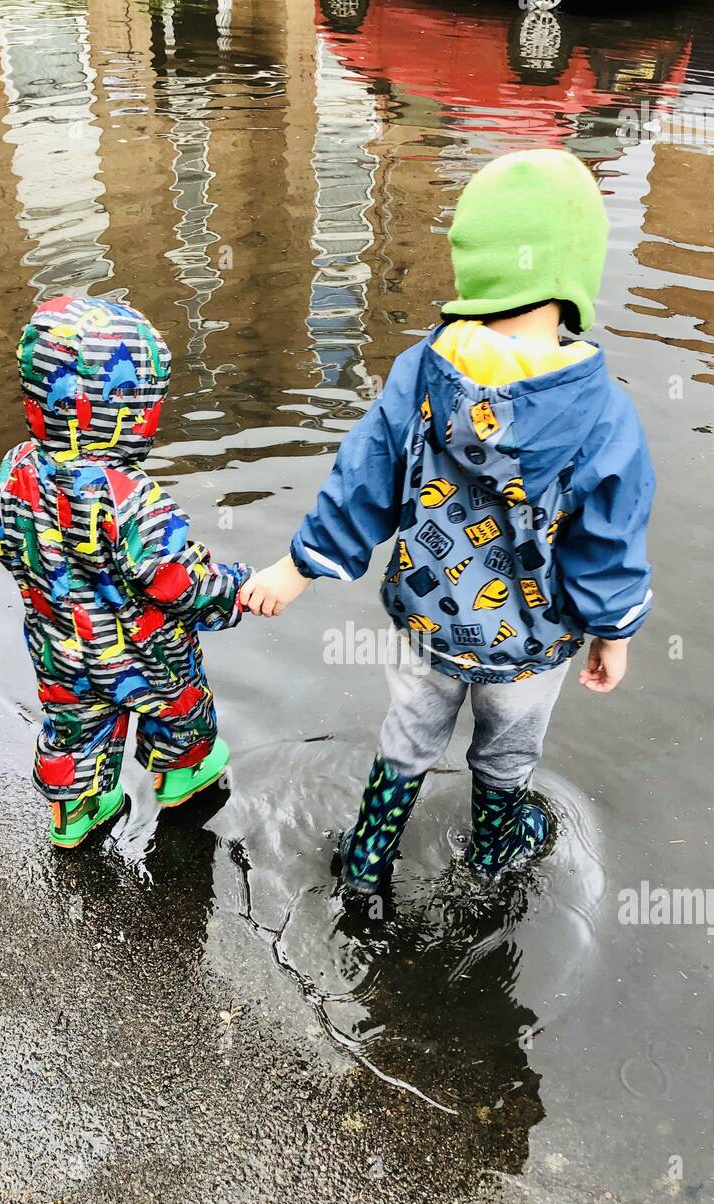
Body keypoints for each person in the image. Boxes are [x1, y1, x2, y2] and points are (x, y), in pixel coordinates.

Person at [242, 149, 655, 893]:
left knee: (408, 736)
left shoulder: (422, 370)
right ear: (575, 273)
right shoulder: (600, 411)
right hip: (530, 640)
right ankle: (494, 853)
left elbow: (363, 479)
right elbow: (608, 541)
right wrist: (612, 631)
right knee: (506, 754)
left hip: (429, 621)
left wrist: (299, 565)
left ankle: (366, 858)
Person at [0, 295, 250, 848]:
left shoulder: (17, 466)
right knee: (179, 706)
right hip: (147, 652)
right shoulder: (131, 498)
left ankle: (77, 812)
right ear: (124, 410)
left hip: (59, 648)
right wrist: (236, 590)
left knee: (72, 729)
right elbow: (177, 582)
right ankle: (183, 774)